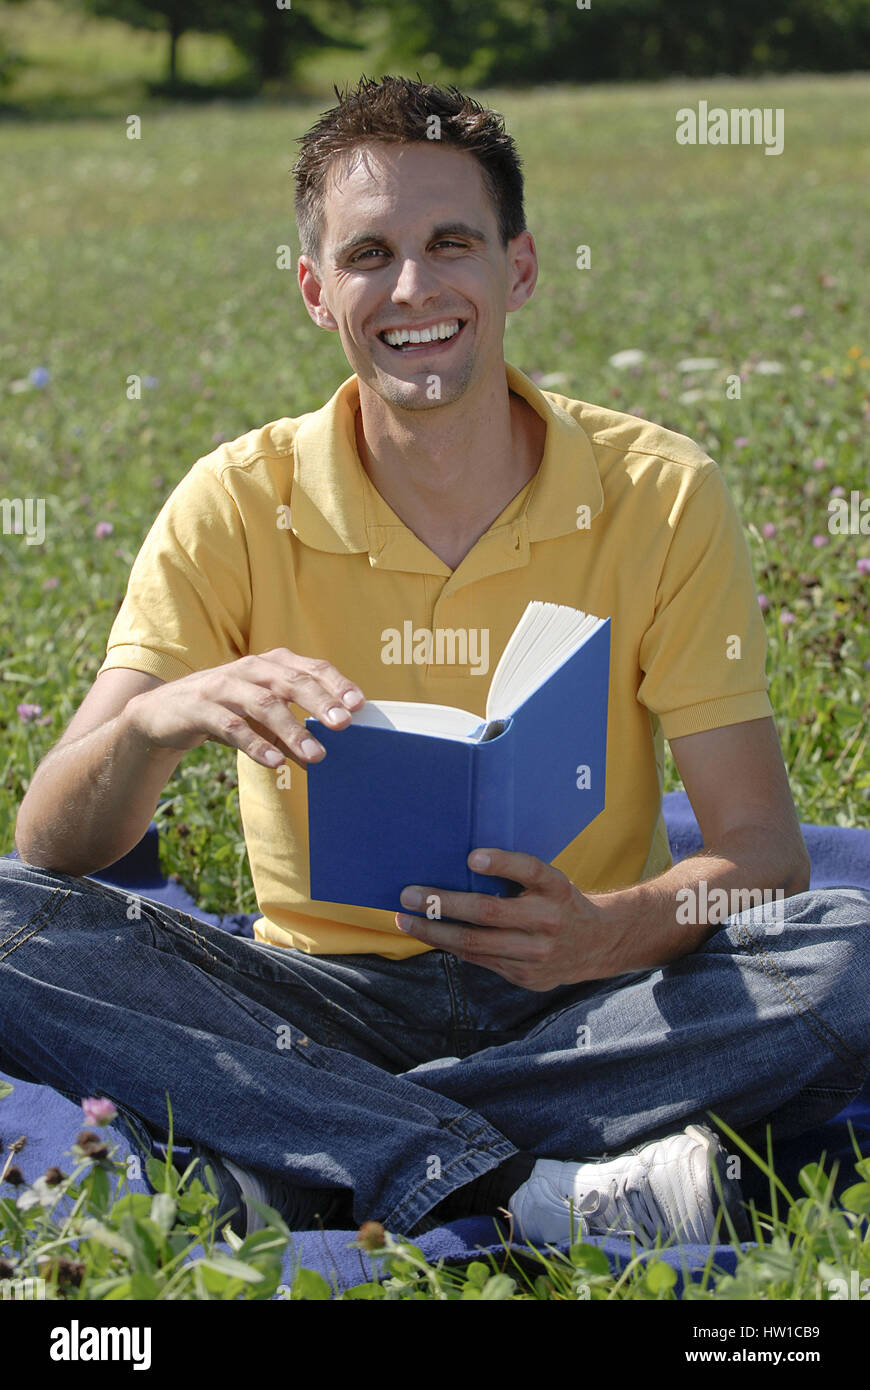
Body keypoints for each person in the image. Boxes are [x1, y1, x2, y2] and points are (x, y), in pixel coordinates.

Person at [3, 75, 868, 1251]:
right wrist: (167, 720)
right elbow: (50, 849)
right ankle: (531, 1180)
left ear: (516, 267)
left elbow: (759, 851)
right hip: (314, 1000)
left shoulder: (662, 489)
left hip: (585, 998)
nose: (413, 289)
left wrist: (609, 929)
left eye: (449, 243)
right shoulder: (233, 499)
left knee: (850, 949)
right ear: (317, 291)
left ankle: (318, 1160)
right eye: (370, 255)